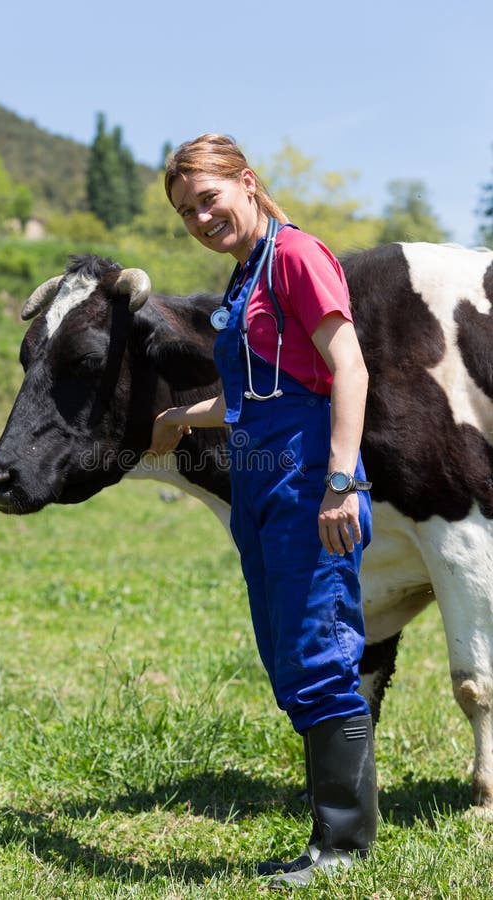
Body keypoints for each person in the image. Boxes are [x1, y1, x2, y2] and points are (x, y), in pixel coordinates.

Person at [148, 133, 377, 888]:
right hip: (261, 485)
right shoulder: (247, 276)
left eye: (208, 198)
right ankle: (328, 835)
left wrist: (340, 483)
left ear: (246, 183)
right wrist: (184, 416)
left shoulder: (296, 257)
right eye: (187, 212)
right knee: (289, 658)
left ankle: (343, 847)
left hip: (311, 479)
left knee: (319, 654)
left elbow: (348, 366)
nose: (200, 217)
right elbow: (253, 395)